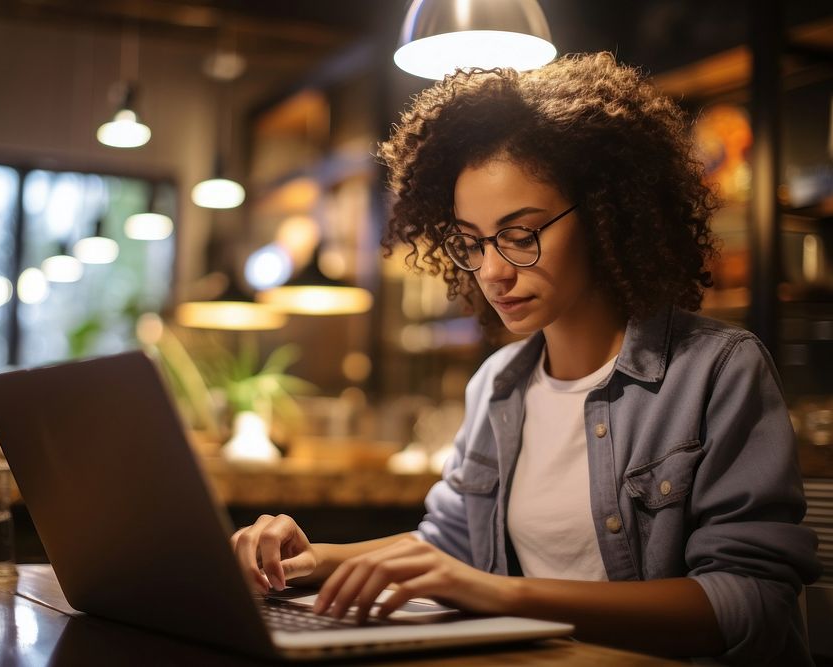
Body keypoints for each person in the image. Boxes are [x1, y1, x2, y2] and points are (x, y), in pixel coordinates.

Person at [230, 52, 821, 664]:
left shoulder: (717, 371)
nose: (492, 271)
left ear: (604, 215)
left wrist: (502, 594)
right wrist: (315, 559)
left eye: (520, 235)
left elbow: (750, 602)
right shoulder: (499, 385)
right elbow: (451, 546)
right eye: (472, 242)